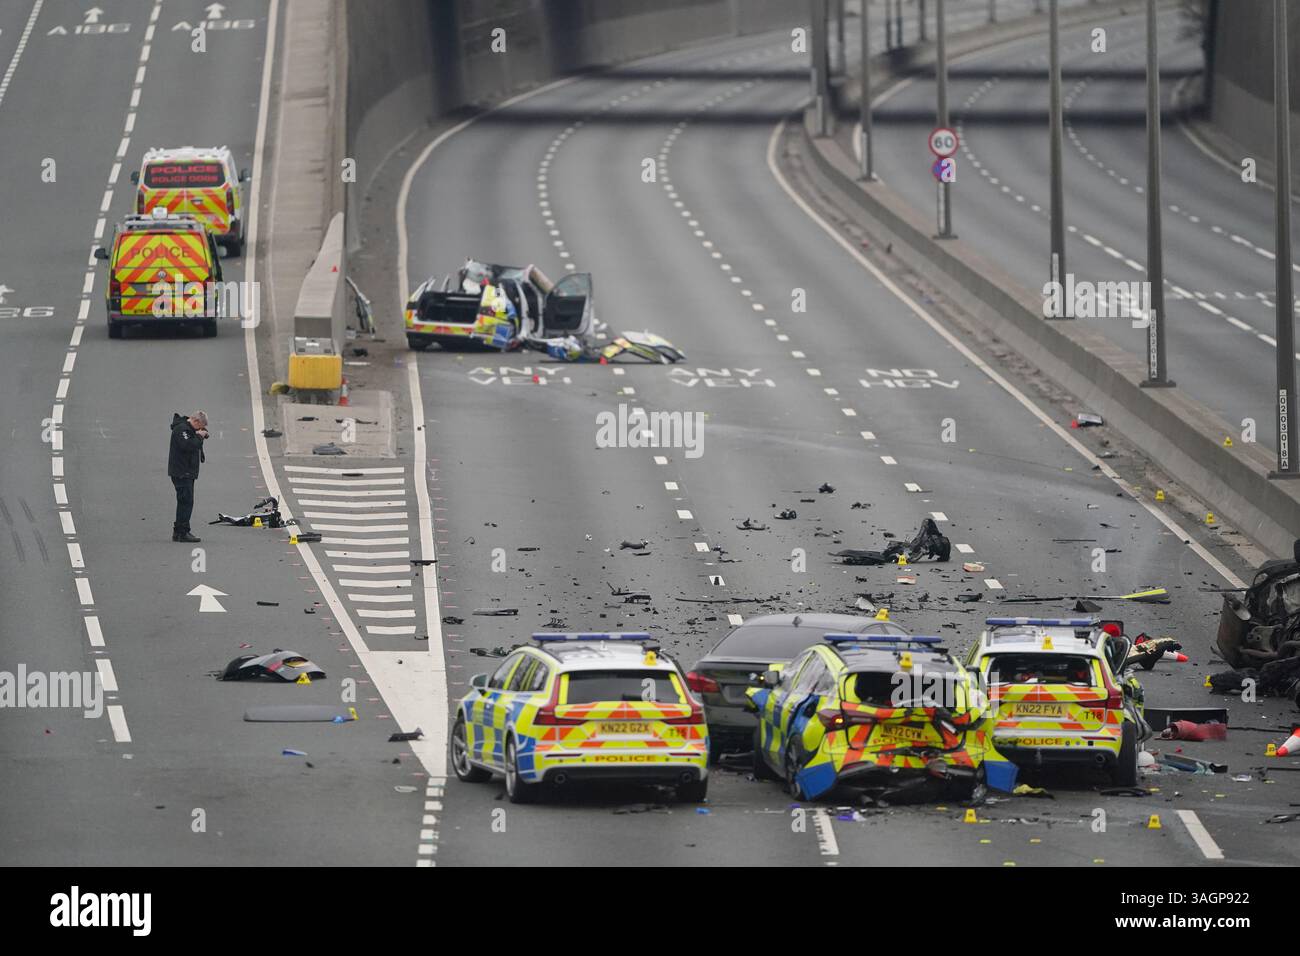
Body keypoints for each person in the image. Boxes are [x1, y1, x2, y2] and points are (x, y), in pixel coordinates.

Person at [168, 410, 208, 542]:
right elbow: (187, 445)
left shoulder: (189, 429)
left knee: (184, 501)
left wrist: (198, 434)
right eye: (200, 426)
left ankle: (179, 531)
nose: (201, 429)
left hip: (186, 471)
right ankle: (183, 531)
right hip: (182, 472)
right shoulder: (181, 429)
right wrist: (199, 437)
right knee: (186, 501)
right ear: (195, 421)